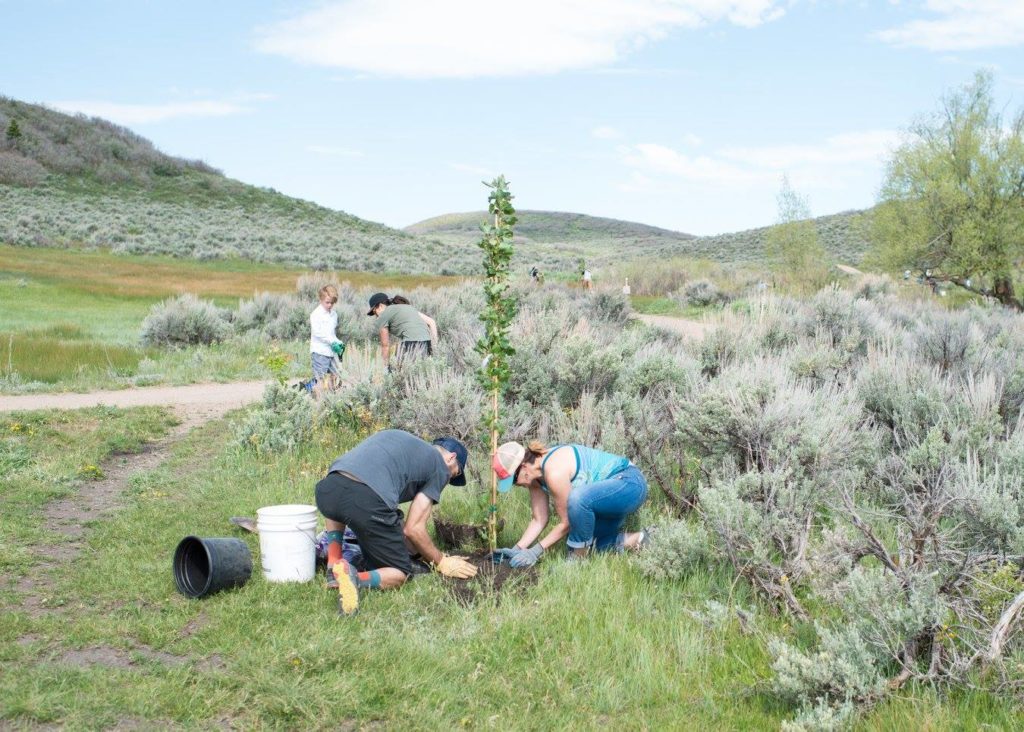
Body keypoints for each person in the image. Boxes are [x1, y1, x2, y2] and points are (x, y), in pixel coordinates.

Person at [315, 429, 477, 615]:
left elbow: (395, 522)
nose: (448, 480)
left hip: (328, 489)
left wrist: (422, 556)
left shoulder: (403, 443)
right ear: (450, 458)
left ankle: (334, 563)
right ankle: (354, 579)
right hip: (363, 500)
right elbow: (413, 529)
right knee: (399, 573)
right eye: (455, 475)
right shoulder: (439, 467)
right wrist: (441, 562)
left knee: (345, 496)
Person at [490, 440, 650, 568]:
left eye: (514, 480)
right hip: (606, 503)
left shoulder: (553, 470)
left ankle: (578, 561)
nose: (515, 485)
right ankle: (640, 539)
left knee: (577, 499)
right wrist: (517, 549)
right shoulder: (534, 477)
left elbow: (566, 521)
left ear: (523, 467)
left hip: (629, 485)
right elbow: (539, 519)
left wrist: (535, 552)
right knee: (585, 541)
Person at [367, 292, 438, 367]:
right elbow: (431, 322)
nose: (376, 315)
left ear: (380, 306)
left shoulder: (384, 315)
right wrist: (434, 347)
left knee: (397, 370)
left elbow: (385, 345)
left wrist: (385, 367)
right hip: (427, 343)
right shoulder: (405, 307)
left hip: (411, 344)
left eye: (374, 311)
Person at [309, 285, 345, 394]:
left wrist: (339, 342)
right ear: (321, 300)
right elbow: (317, 333)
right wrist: (332, 341)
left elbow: (331, 333)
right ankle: (319, 403)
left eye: (332, 303)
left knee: (334, 377)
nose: (330, 305)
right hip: (320, 352)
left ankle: (330, 401)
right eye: (327, 302)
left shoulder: (334, 315)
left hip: (331, 352)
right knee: (321, 379)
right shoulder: (316, 314)